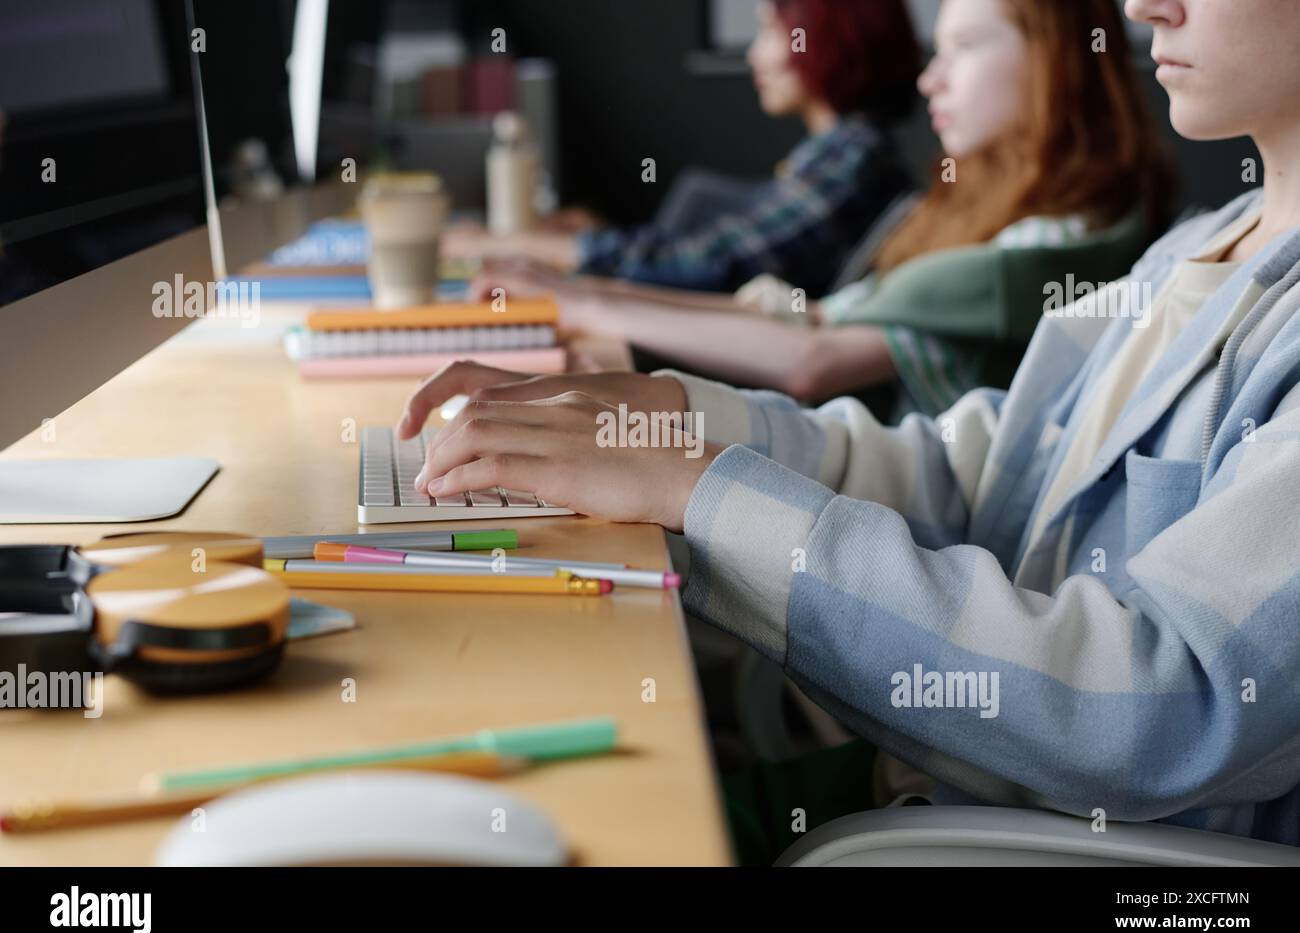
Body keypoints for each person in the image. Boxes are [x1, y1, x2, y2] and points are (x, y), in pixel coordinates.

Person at [397, 0, 1300, 860]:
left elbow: (1164, 709)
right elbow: (970, 479)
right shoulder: (1196, 247)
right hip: (937, 791)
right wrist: (669, 423)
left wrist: (701, 490)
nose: (1145, 8)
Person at [474, 0, 1173, 419]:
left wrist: (588, 303)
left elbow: (809, 351)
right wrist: (583, 293)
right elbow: (814, 316)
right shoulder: (985, 203)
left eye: (963, 48)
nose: (934, 77)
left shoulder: (1048, 244)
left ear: (1055, 60)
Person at [445, 0, 920, 298]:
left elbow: (712, 264)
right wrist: (592, 237)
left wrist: (519, 242)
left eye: (770, 31)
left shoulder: (853, 162)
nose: (755, 54)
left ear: (829, 39)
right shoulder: (838, 153)